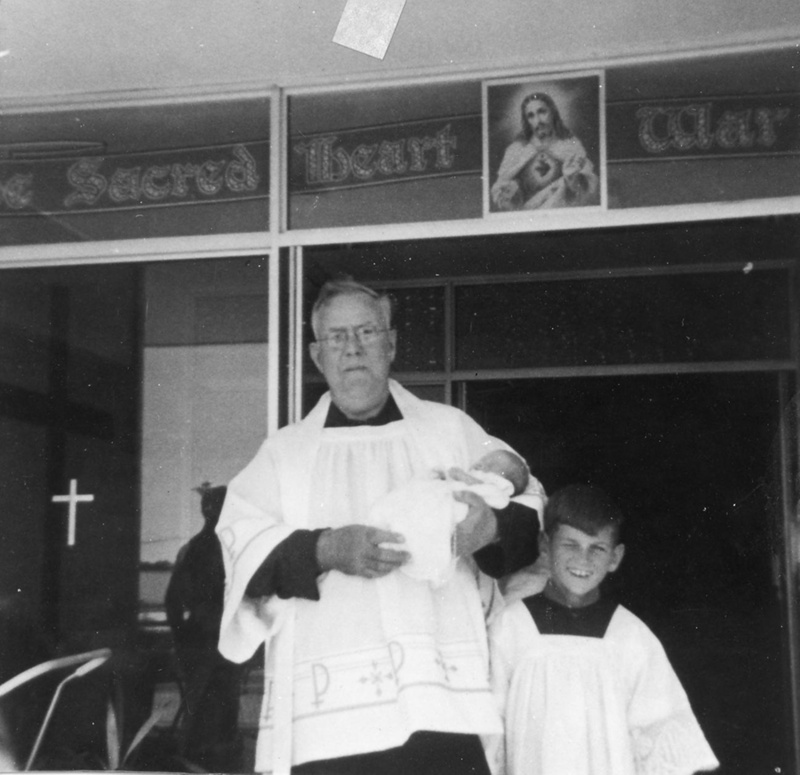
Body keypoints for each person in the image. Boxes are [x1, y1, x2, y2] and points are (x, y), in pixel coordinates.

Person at [215, 278, 546, 775]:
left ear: (390, 344)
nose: (353, 349)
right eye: (337, 337)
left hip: (441, 707)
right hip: (330, 726)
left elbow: (528, 497)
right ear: (316, 354)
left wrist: (491, 527)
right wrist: (325, 549)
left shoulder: (449, 430)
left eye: (367, 332)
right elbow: (240, 549)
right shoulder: (284, 455)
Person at [486, 484, 719, 775]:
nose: (583, 560)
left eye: (597, 548)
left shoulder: (631, 637)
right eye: (570, 545)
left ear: (615, 557)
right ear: (545, 546)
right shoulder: (511, 627)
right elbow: (489, 733)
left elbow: (660, 731)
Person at [165, 483, 246, 772]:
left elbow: (172, 602)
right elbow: (173, 601)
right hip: (215, 641)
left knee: (206, 714)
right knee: (212, 715)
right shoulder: (228, 549)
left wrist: (181, 637)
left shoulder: (194, 549)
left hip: (204, 640)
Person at [370, 449, 539, 587]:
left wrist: (494, 527)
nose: (479, 464)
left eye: (489, 466)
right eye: (482, 462)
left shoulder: (494, 483)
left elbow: (526, 518)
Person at [490, 92, 599, 211]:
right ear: (526, 121)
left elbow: (588, 191)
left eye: (542, 112)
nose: (538, 121)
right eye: (531, 116)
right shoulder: (516, 150)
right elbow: (500, 194)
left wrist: (572, 179)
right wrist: (512, 192)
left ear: (553, 112)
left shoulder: (570, 145)